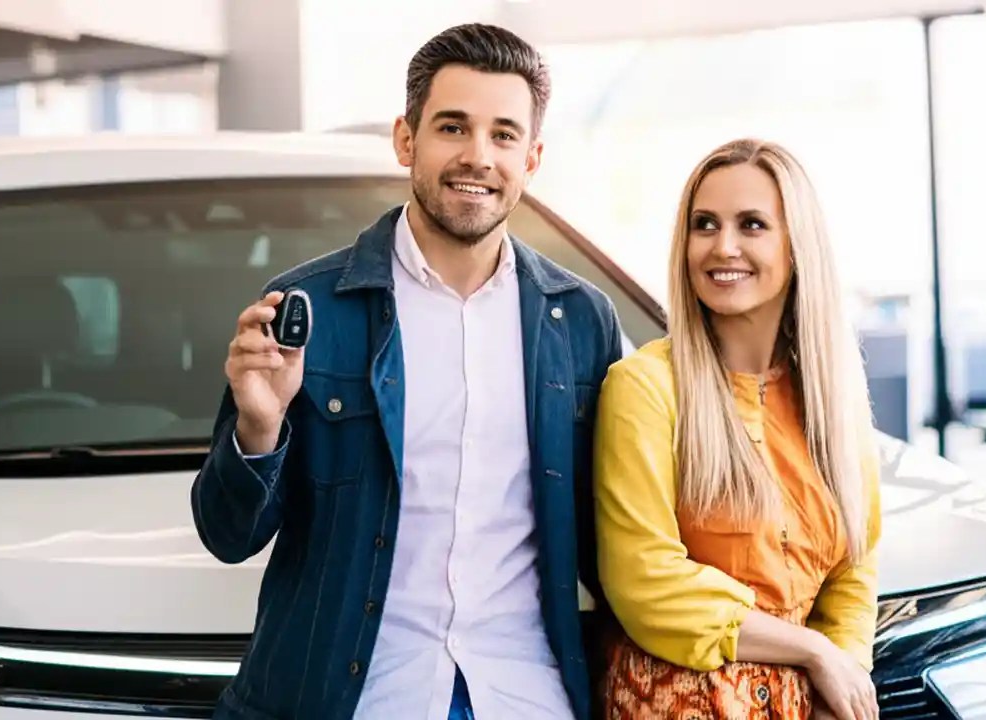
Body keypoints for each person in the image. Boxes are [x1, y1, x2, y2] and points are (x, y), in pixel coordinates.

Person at [191, 23, 623, 720]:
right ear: (406, 139)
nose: (478, 157)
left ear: (533, 157)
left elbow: (625, 538)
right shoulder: (311, 310)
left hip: (527, 695)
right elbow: (227, 535)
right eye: (453, 127)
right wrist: (259, 428)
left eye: (504, 135)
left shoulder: (580, 321)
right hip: (356, 700)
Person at [591, 139, 882, 720]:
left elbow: (855, 571)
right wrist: (813, 651)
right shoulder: (645, 388)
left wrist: (841, 674)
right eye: (705, 225)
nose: (723, 247)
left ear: (797, 246)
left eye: (752, 225)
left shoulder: (833, 399)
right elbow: (644, 582)